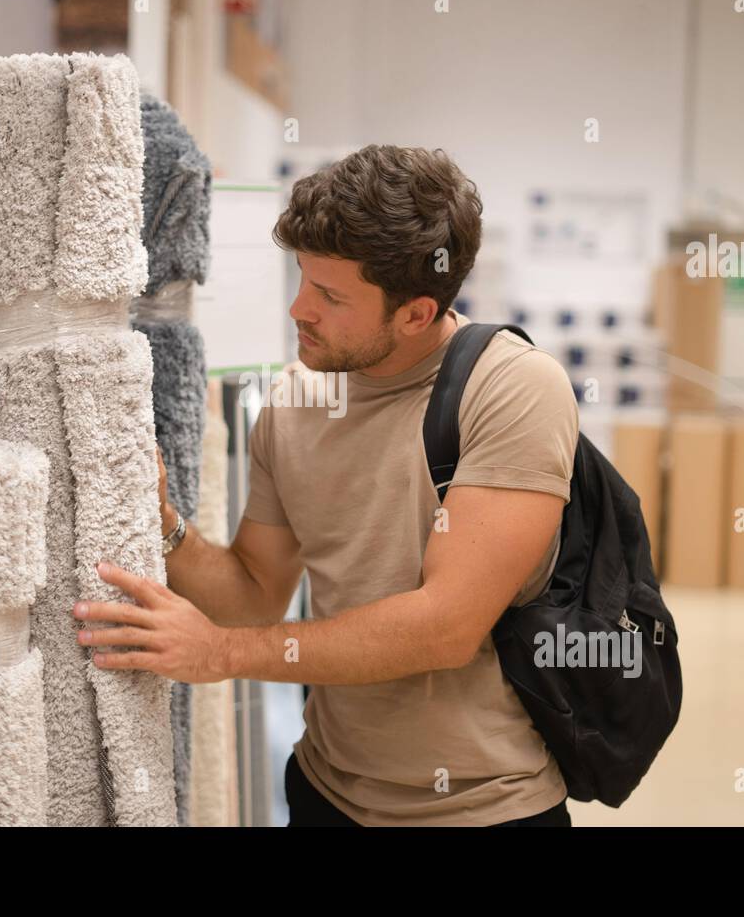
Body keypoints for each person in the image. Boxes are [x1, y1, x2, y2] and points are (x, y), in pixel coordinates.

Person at [76, 144, 579, 826]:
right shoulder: (295, 402)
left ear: (415, 314)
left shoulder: (513, 390)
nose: (298, 311)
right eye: (304, 280)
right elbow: (255, 594)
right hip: (324, 794)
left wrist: (221, 653)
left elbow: (445, 628)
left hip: (482, 810)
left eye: (331, 296)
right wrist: (166, 523)